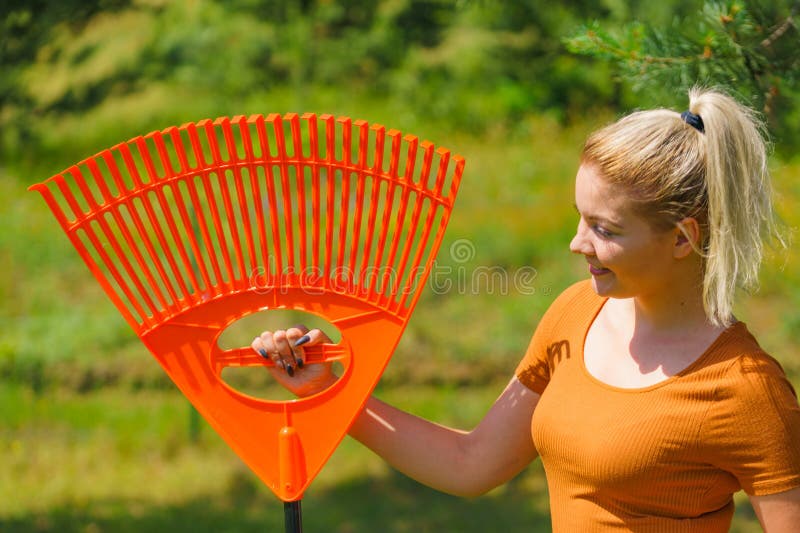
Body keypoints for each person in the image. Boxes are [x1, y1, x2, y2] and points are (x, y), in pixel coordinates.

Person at [252, 88, 800, 531]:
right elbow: (471, 465)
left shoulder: (746, 392)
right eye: (580, 218)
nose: (576, 243)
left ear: (683, 238)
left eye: (604, 229)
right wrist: (330, 391)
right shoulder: (574, 313)